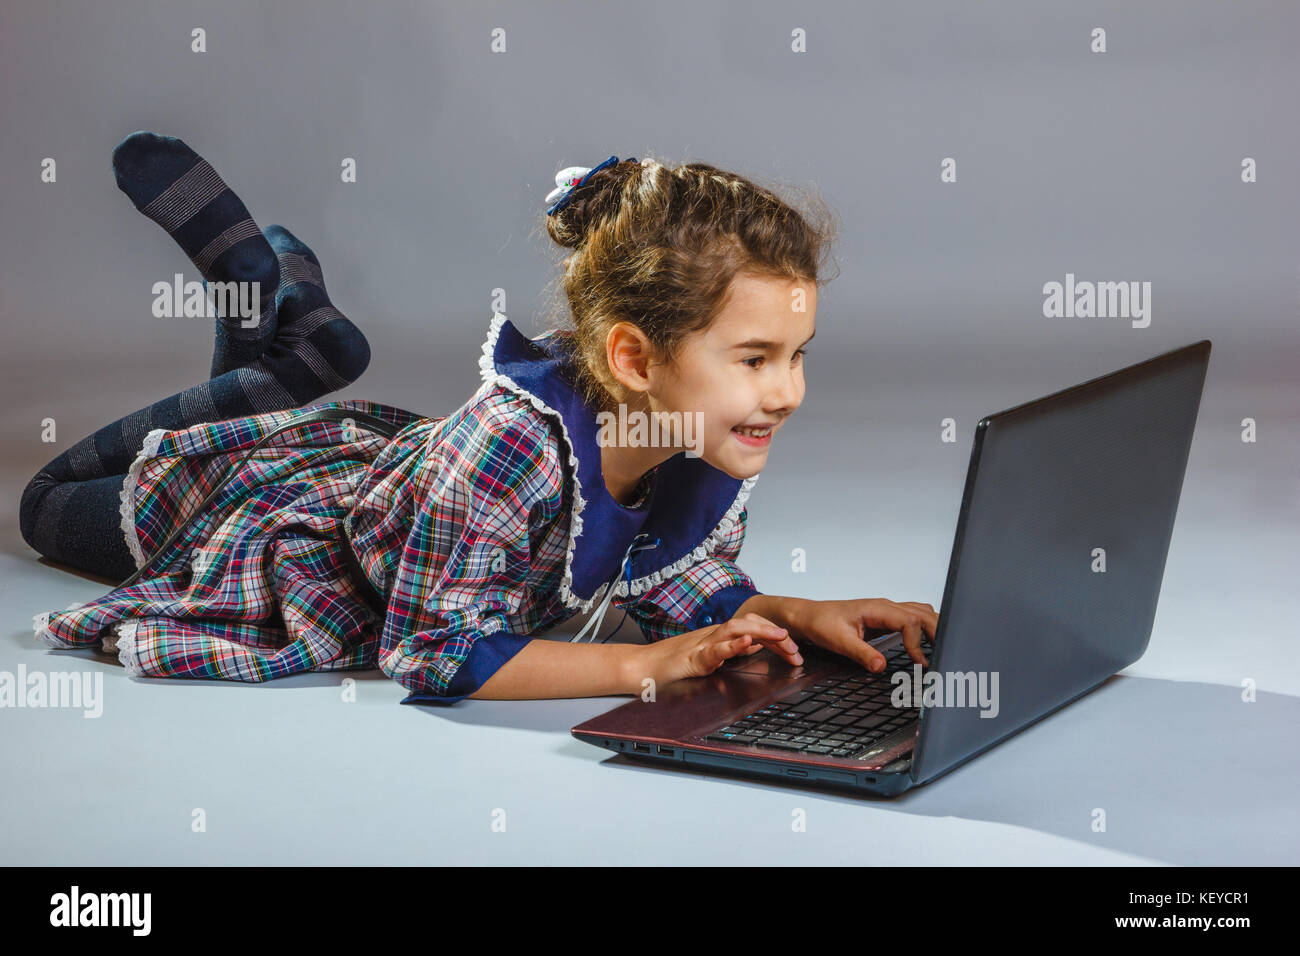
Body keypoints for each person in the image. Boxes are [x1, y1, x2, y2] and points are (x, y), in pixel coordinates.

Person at [23, 132, 938, 706]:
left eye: (796, 354)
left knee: (205, 438)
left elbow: (673, 588)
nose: (788, 393)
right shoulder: (511, 450)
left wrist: (795, 612)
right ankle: (291, 356)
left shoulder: (697, 445)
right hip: (271, 533)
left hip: (384, 477)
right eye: (754, 359)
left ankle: (278, 339)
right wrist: (640, 671)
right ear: (633, 359)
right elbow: (435, 651)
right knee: (44, 503)